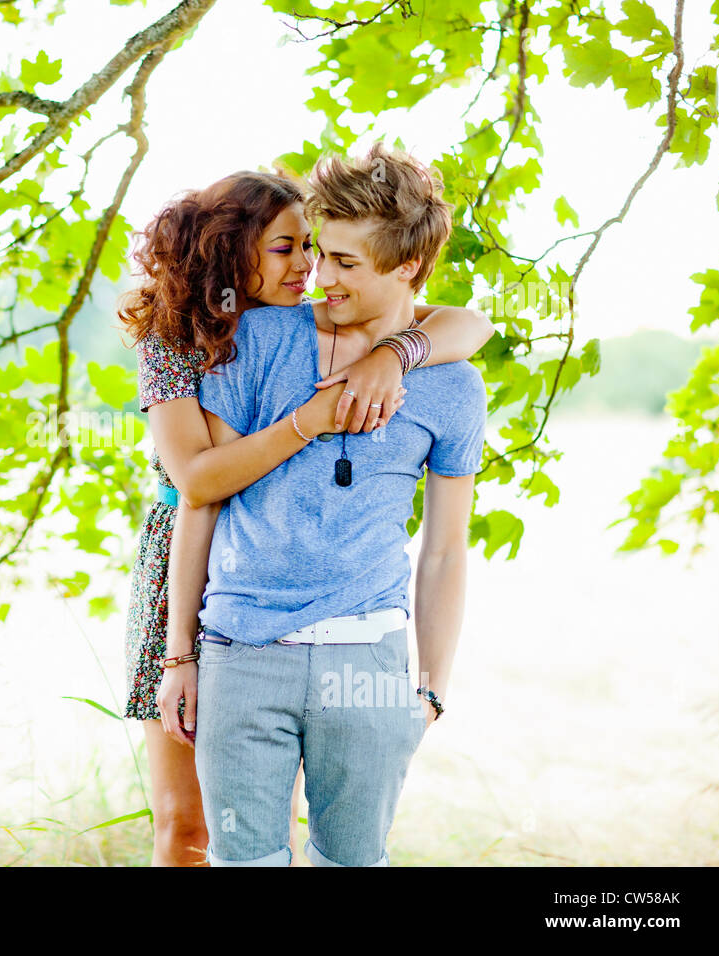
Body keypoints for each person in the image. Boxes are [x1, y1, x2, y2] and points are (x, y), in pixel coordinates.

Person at [119, 167, 494, 866]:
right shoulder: (205, 338)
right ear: (232, 258)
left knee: (330, 844)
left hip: (357, 644)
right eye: (293, 251)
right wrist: (181, 654)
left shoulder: (435, 372)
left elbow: (470, 326)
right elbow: (199, 486)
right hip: (213, 594)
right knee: (193, 830)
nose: (314, 273)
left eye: (326, 254)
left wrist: (431, 689)